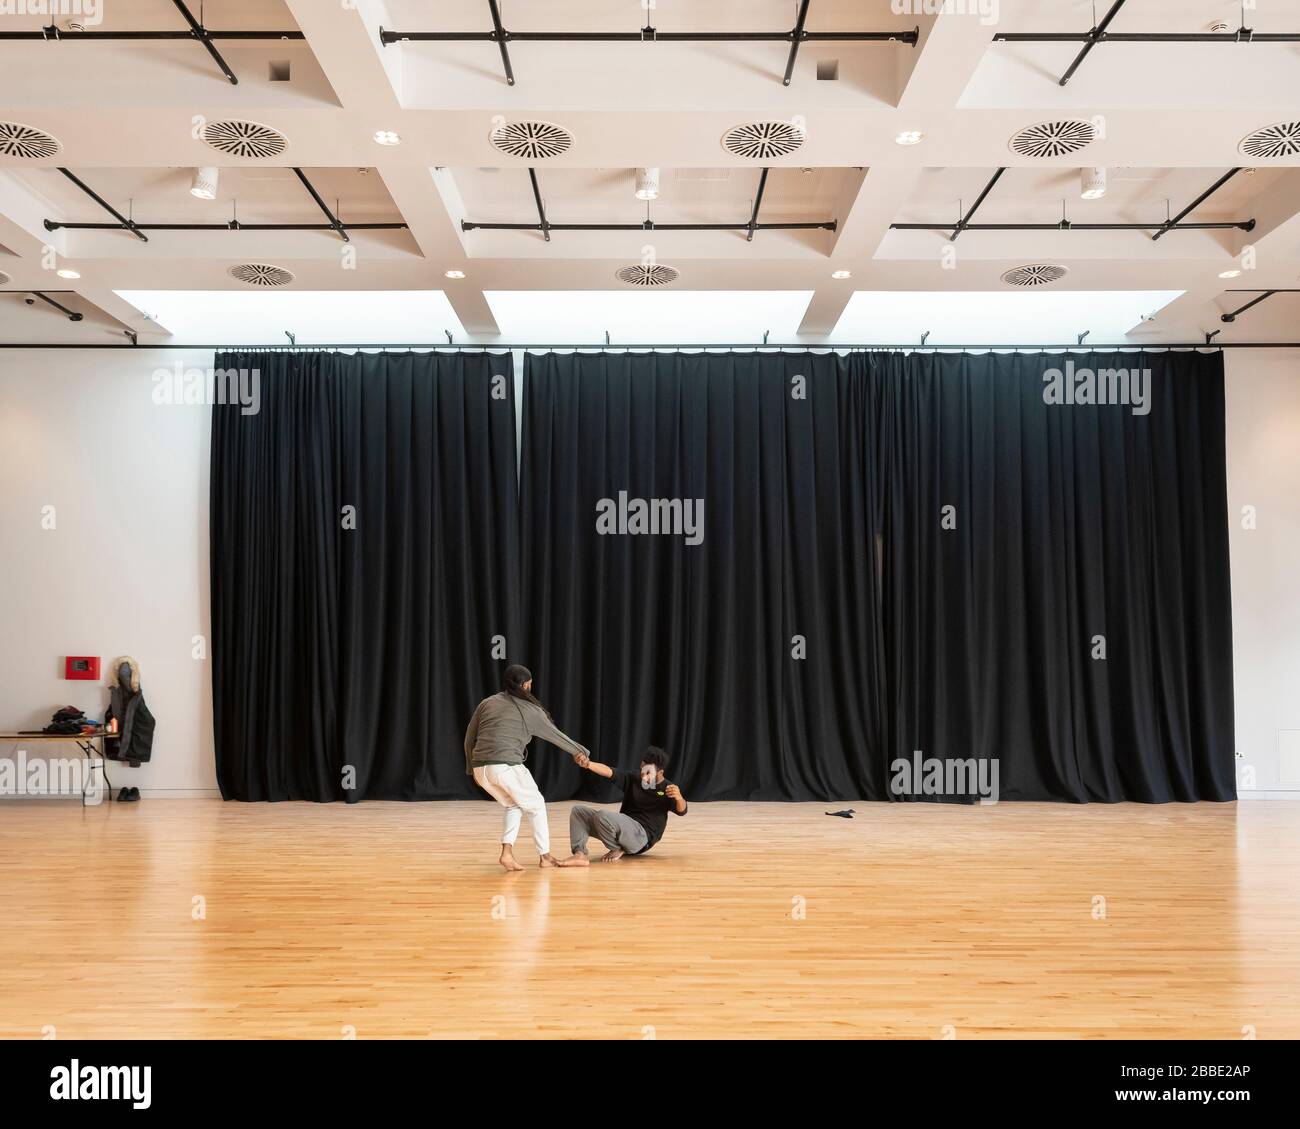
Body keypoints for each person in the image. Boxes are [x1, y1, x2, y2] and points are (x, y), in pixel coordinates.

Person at [464, 664, 588, 872]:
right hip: (505, 766)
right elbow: (556, 736)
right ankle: (545, 856)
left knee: (514, 805)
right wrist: (581, 752)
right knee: (537, 804)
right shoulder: (530, 710)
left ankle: (507, 854)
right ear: (524, 685)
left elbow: (469, 739)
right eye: (529, 685)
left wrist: (472, 768)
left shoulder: (486, 703)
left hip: (481, 770)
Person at [558, 746, 687, 865]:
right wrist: (588, 764)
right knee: (578, 811)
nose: (643, 776)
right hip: (624, 831)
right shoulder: (633, 778)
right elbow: (609, 772)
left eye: (648, 773)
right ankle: (580, 854)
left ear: (660, 773)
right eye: (642, 770)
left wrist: (679, 798)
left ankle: (618, 848)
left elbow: (682, 811)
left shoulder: (667, 788)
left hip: (641, 838)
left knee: (602, 815)